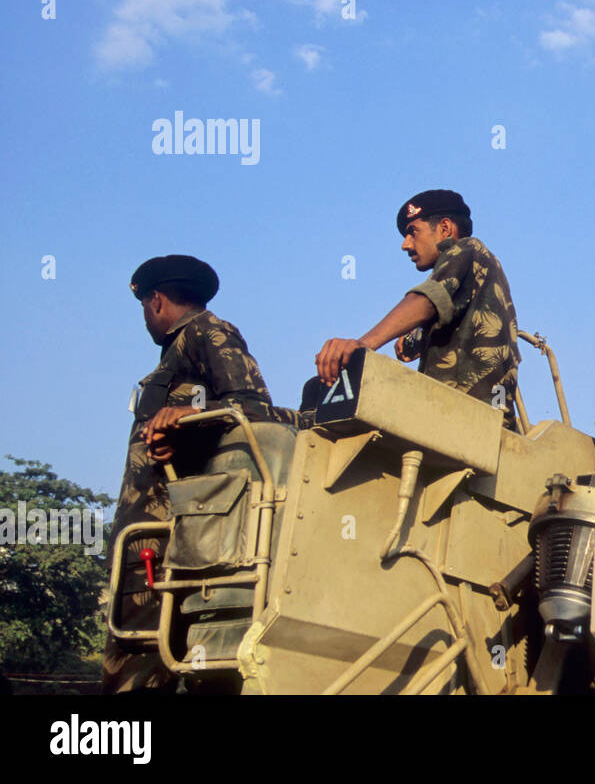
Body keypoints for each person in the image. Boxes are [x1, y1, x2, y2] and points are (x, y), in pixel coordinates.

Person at [105, 255, 292, 693]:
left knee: (142, 660)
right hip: (151, 536)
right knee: (142, 649)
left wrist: (186, 415)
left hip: (173, 533)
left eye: (144, 307)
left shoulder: (210, 331)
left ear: (155, 300)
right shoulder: (177, 349)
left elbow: (255, 411)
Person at [313, 189, 522, 428]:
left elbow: (428, 300)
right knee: (318, 393)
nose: (405, 245)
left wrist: (362, 344)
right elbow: (413, 338)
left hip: (467, 416)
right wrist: (412, 340)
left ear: (445, 228)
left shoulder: (469, 250)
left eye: (413, 232)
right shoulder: (473, 280)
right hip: (460, 415)